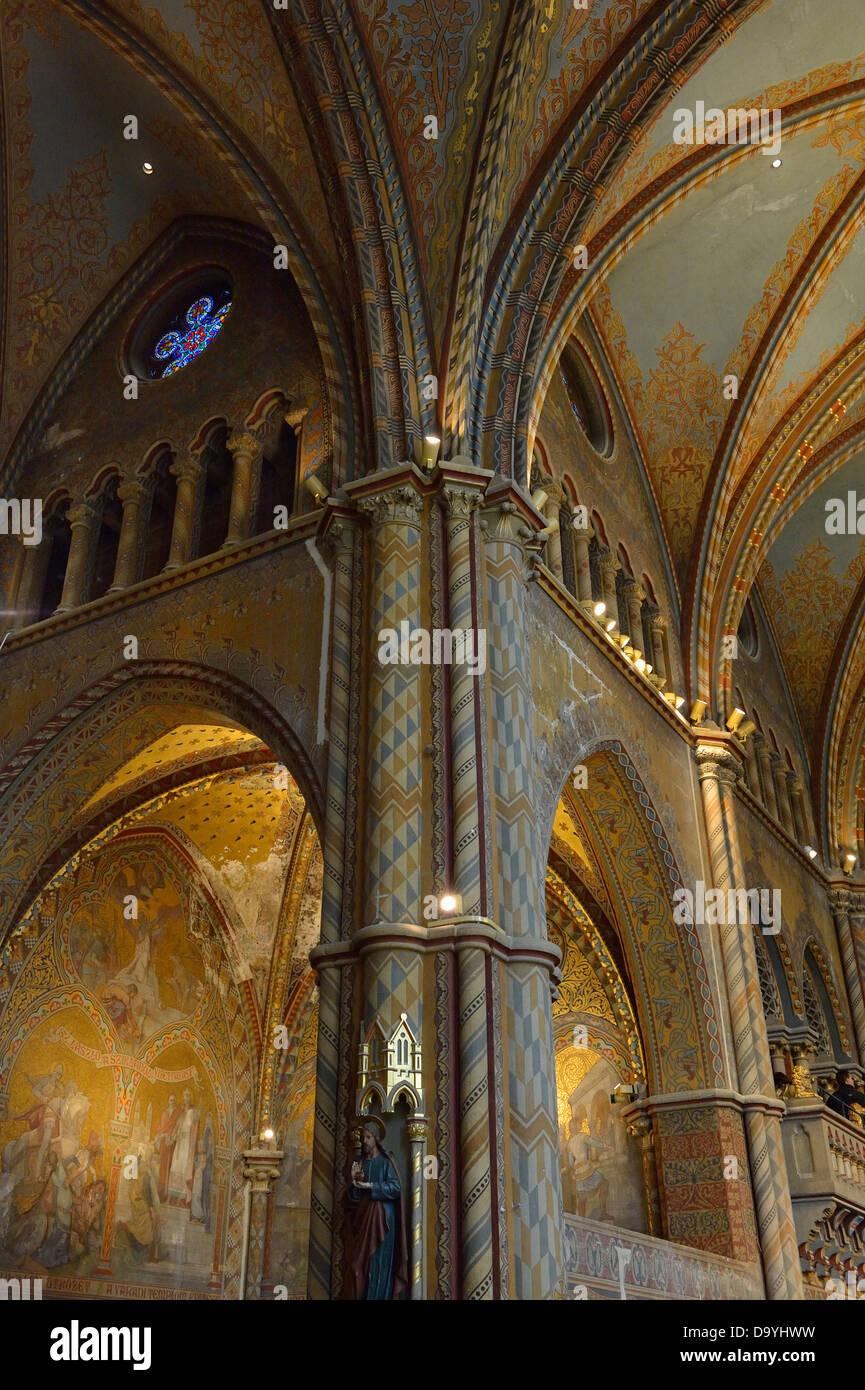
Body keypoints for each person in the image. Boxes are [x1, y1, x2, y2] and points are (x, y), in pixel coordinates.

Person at [344, 1123, 408, 1300]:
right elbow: (353, 1198)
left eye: (368, 1137)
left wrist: (371, 1186)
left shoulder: (386, 1161)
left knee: (379, 1264)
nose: (364, 1141)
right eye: (363, 1137)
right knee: (358, 1266)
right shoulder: (361, 1163)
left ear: (376, 1139)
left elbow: (395, 1188)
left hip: (382, 1220)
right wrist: (355, 1184)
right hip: (363, 1218)